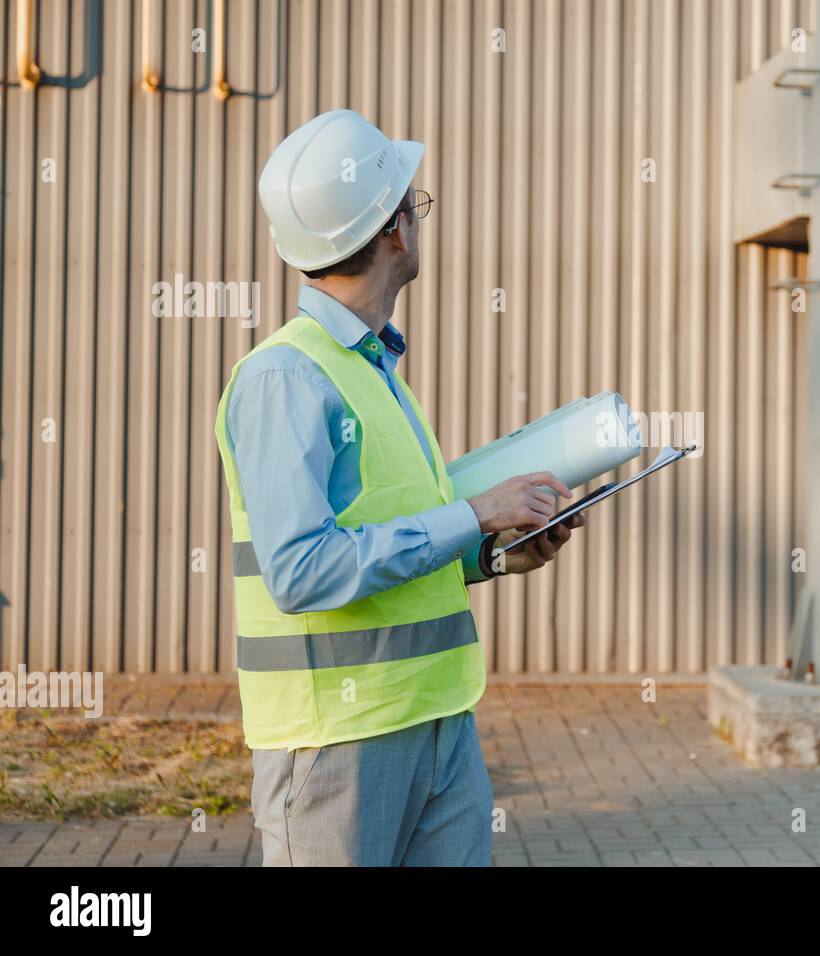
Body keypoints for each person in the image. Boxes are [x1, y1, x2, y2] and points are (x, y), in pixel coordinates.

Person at [213, 109, 582, 866]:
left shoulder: (374, 371)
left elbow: (401, 544)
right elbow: (302, 571)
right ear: (395, 231)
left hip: (438, 723)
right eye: (415, 202)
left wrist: (498, 552)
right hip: (336, 747)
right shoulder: (287, 378)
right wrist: (474, 511)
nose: (419, 218)